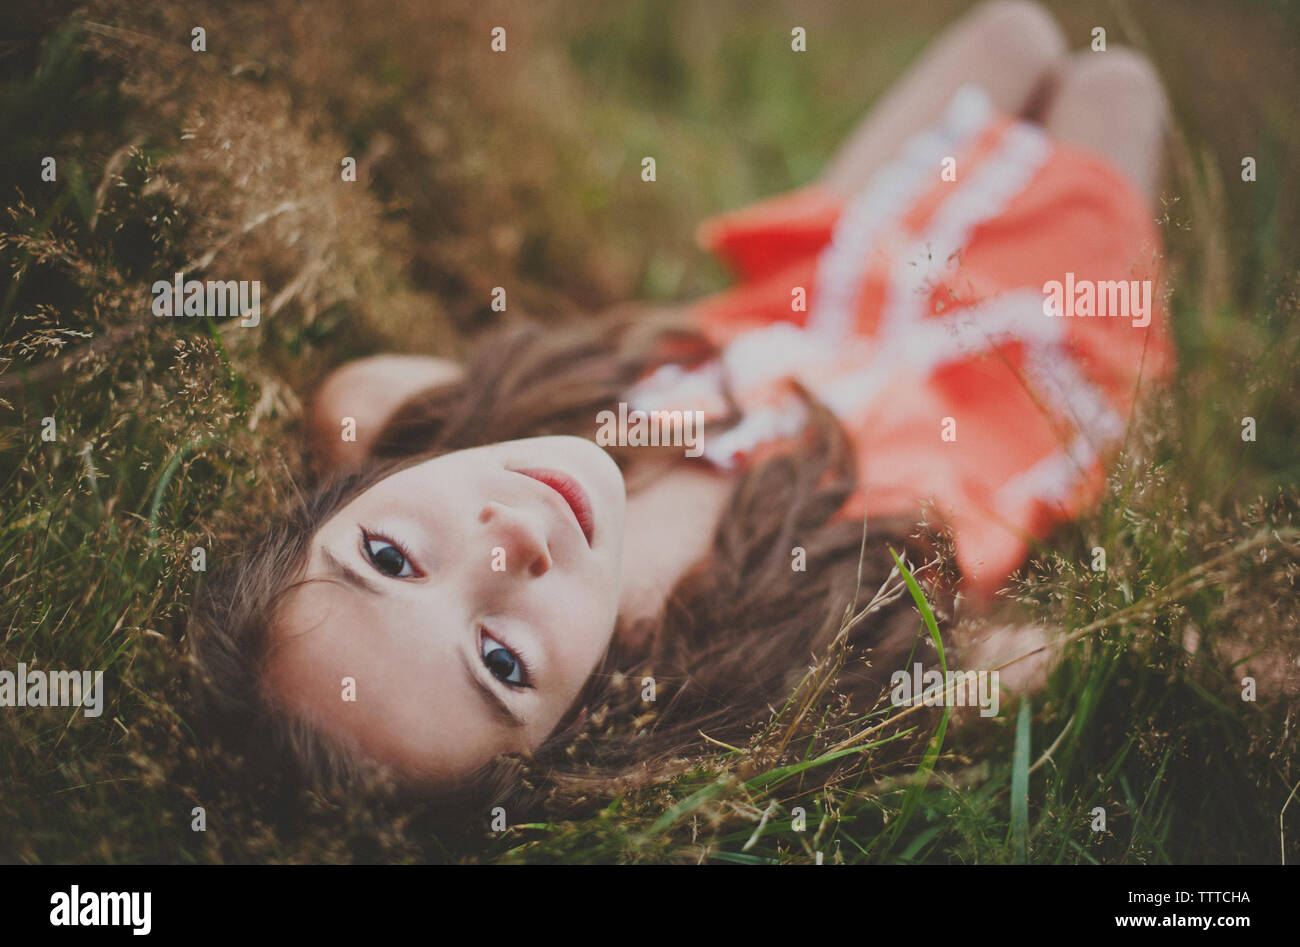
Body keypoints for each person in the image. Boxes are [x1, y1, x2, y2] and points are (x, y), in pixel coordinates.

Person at [187, 1, 1172, 814]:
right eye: (500, 658)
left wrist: (367, 446)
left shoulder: (477, 425)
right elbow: (1022, 658)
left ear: (340, 497)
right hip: (1000, 378)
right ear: (572, 739)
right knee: (1117, 87)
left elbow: (360, 396)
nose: (507, 547)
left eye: (389, 557)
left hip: (831, 280)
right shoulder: (749, 665)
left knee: (1015, 32)